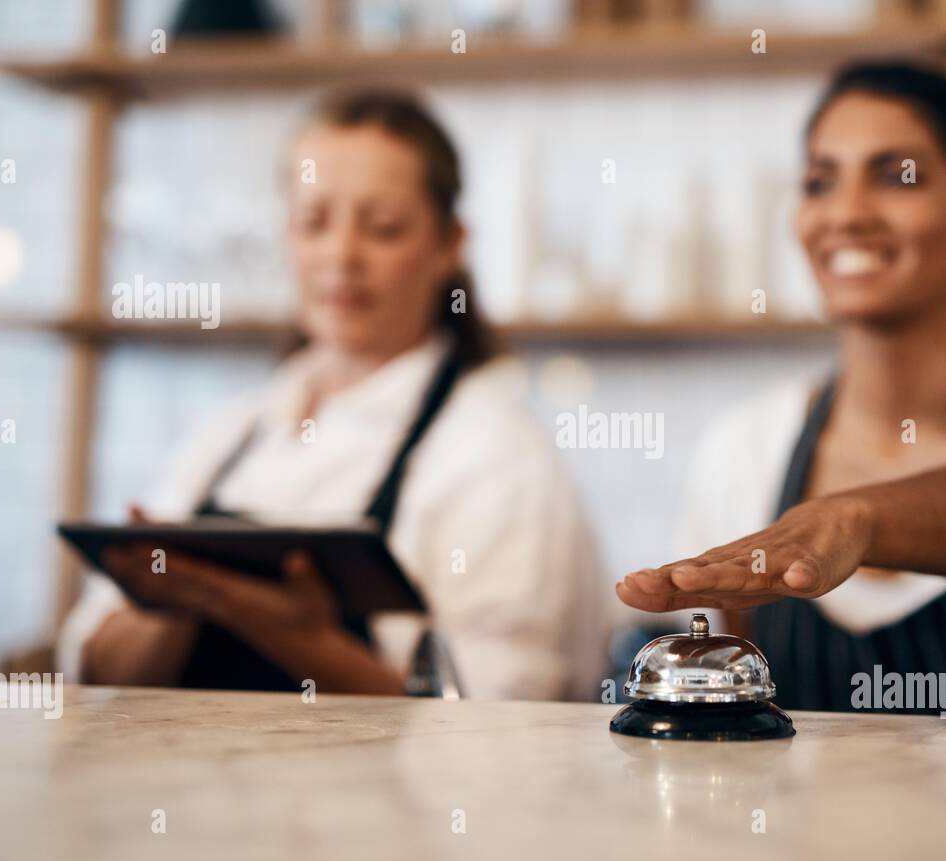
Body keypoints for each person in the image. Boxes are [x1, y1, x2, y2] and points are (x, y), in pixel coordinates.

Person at [616, 61, 946, 719]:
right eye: (820, 181)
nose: (846, 213)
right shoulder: (745, 444)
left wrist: (852, 519)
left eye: (898, 176)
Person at [59, 89, 608, 700]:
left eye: (383, 227)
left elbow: (504, 725)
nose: (342, 256)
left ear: (451, 244)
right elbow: (93, 678)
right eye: (315, 221)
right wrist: (177, 599)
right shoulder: (232, 433)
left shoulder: (497, 457)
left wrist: (301, 641)